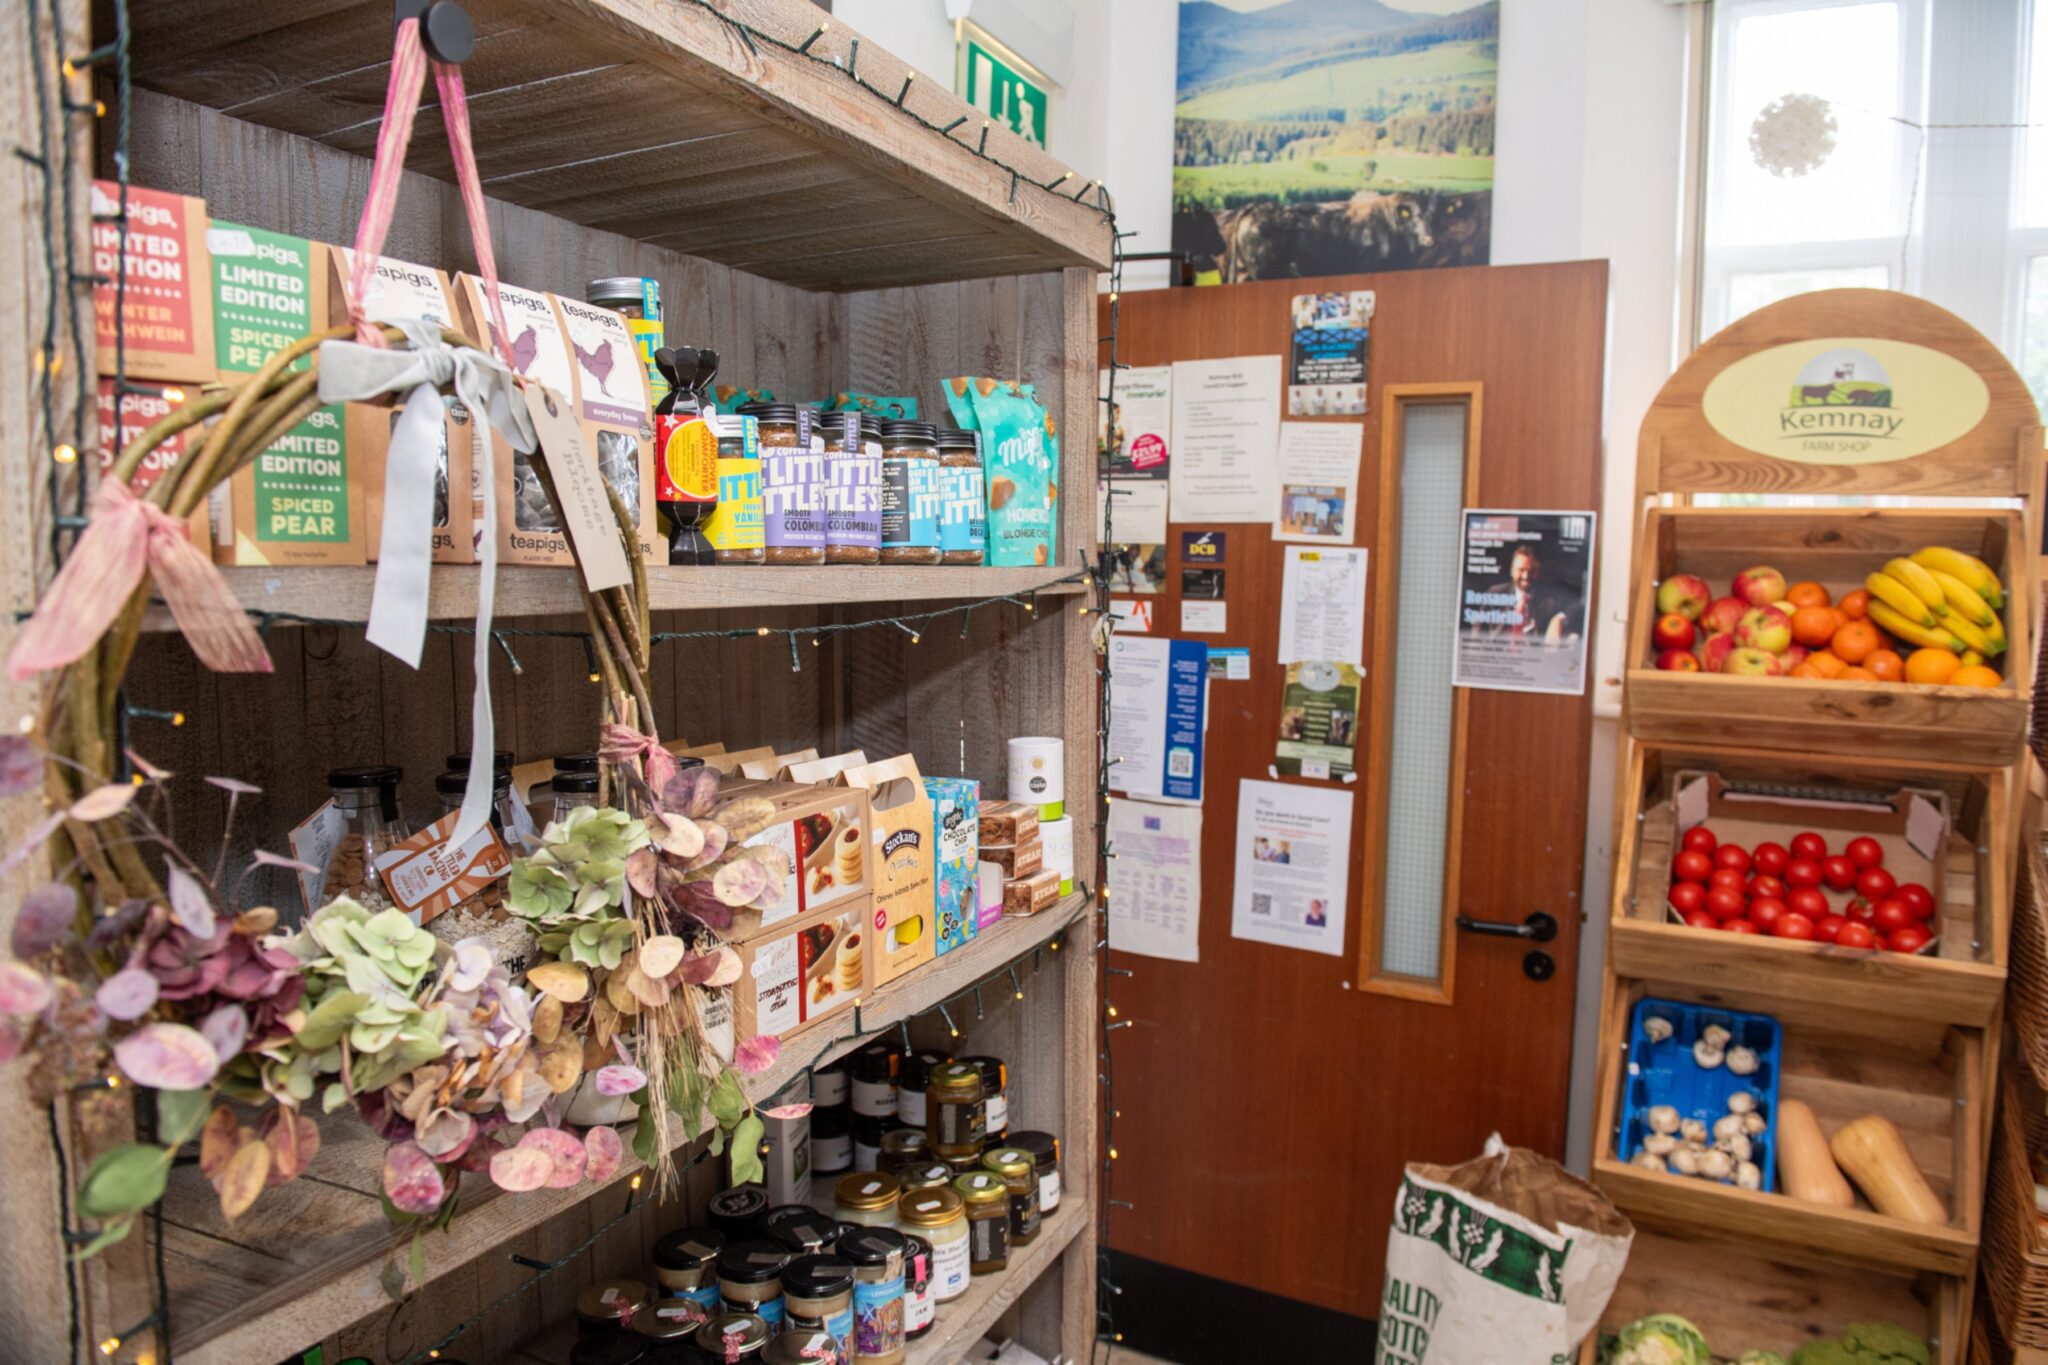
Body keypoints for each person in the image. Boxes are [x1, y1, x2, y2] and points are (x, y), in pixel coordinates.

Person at [1484, 544, 1580, 641]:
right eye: (1521, 570)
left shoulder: (1549, 599)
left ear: (1539, 572)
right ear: (1512, 570)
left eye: (1532, 571)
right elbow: (1477, 633)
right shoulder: (1495, 594)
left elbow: (1578, 603)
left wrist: (1560, 618)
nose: (1526, 576)